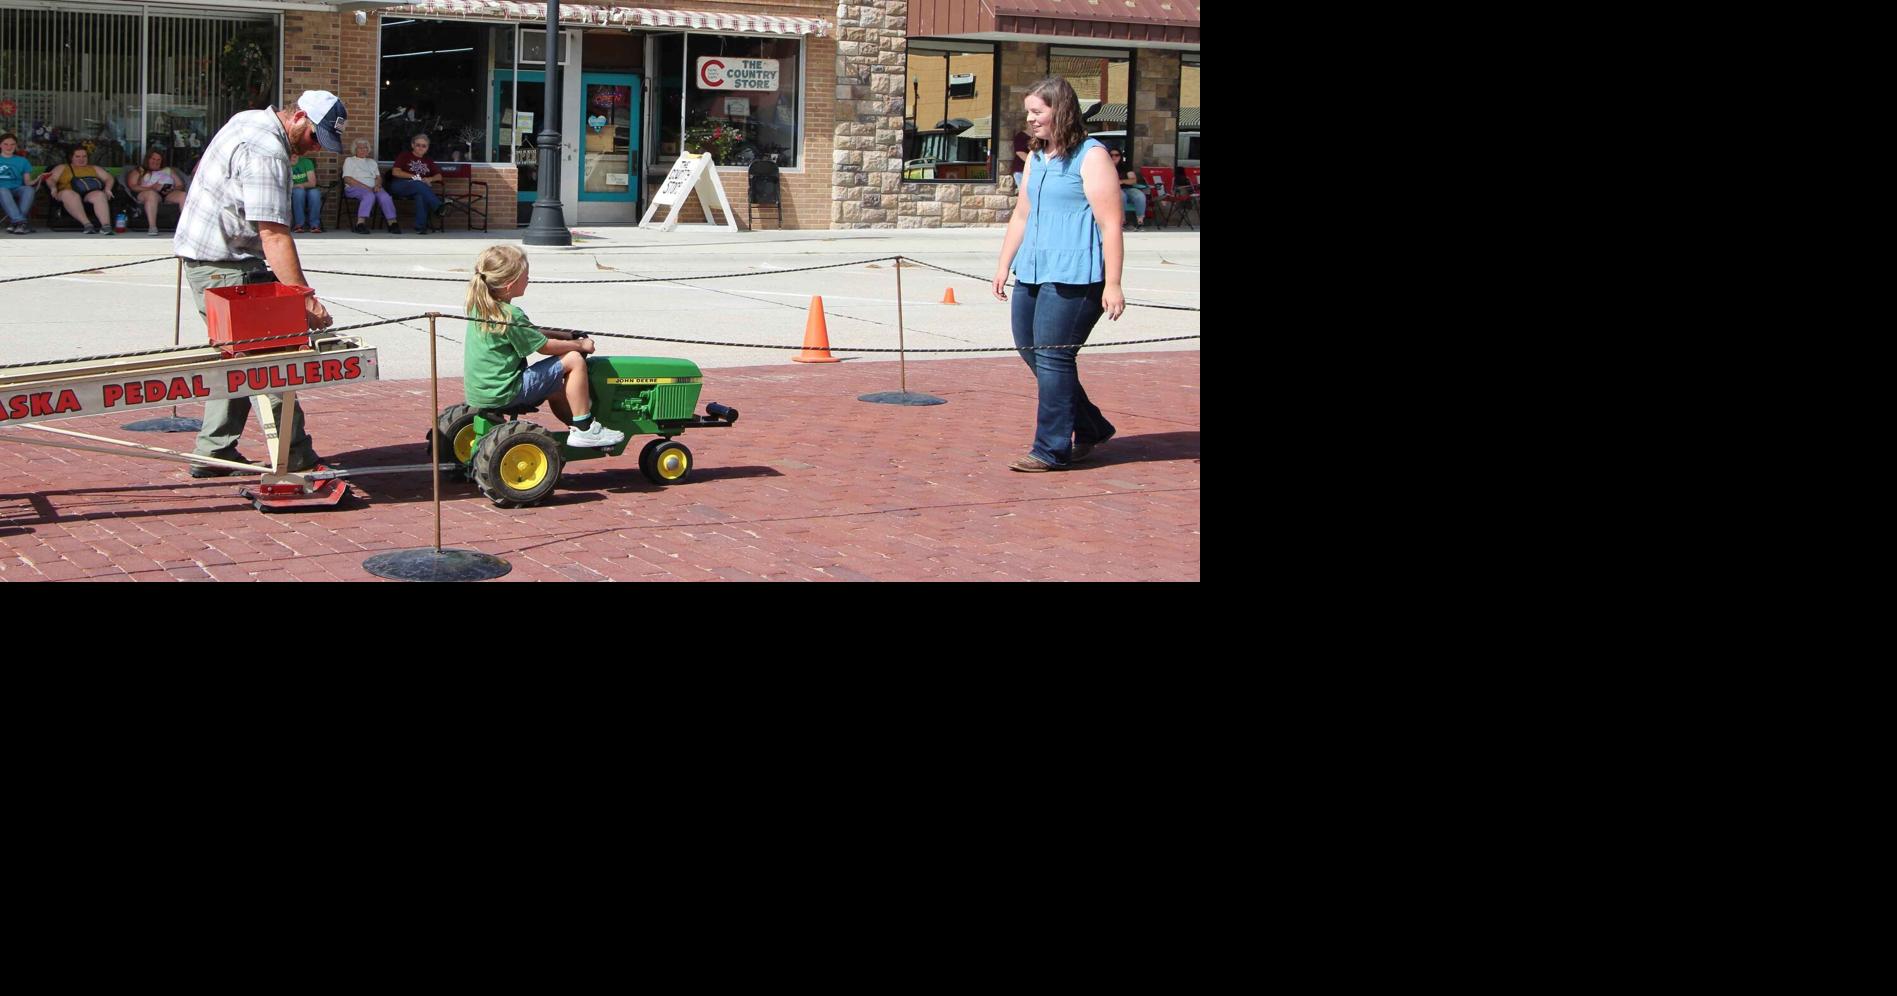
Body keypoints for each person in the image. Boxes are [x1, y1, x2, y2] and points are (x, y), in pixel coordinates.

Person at [173, 89, 346, 479]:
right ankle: (297, 458)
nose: (316, 148)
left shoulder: (250, 118)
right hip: (224, 264)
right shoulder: (267, 150)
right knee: (270, 361)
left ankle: (213, 450)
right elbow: (274, 234)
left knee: (242, 357)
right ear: (299, 116)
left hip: (216, 257)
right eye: (315, 137)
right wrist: (304, 298)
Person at [991, 76, 1123, 473]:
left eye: (1038, 112)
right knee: (1033, 352)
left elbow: (1111, 223)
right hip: (1032, 270)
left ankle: (1051, 449)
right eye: (1028, 112)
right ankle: (1092, 426)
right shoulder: (1037, 157)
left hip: (1076, 275)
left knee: (1053, 359)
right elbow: (1021, 213)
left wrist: (1113, 283)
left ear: (1060, 111)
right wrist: (1003, 265)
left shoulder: (1091, 155)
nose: (1030, 119)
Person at [463, 244, 627, 450]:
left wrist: (566, 335)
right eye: (526, 275)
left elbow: (529, 332)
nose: (529, 279)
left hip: (481, 391)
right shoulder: (511, 314)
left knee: (557, 389)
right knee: (574, 359)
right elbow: (544, 347)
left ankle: (577, 428)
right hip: (506, 391)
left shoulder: (482, 306)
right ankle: (585, 429)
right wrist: (580, 344)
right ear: (509, 285)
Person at [45, 146, 116, 234]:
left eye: (84, 156)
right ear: (71, 158)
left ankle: (106, 226)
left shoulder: (94, 168)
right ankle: (87, 225)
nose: (81, 159)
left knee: (99, 195)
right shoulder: (63, 167)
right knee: (70, 194)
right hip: (66, 193)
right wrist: (53, 188)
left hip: (88, 193)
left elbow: (109, 178)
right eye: (77, 156)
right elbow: (50, 179)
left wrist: (108, 189)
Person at [390, 132, 445, 234]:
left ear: (427, 148)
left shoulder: (428, 160)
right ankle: (437, 206)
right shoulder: (404, 156)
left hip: (419, 188)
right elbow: (395, 172)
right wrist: (415, 177)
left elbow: (439, 176)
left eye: (424, 146)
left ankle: (420, 227)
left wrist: (430, 179)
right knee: (419, 184)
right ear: (412, 145)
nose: (421, 148)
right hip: (400, 185)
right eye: (418, 145)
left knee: (420, 194)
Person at [125, 149, 189, 237]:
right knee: (152, 194)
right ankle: (152, 227)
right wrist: (151, 187)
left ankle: (186, 228)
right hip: (146, 192)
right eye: (153, 159)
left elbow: (180, 185)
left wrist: (172, 189)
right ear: (148, 159)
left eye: (158, 160)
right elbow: (132, 185)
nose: (155, 162)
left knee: (183, 196)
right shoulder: (140, 170)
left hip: (166, 193)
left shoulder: (167, 170)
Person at [341, 138, 398, 235]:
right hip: (354, 188)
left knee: (385, 197)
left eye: (365, 148)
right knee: (369, 195)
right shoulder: (350, 160)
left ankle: (392, 223)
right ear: (355, 150)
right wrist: (366, 188)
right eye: (360, 148)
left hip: (373, 188)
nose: (363, 150)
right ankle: (360, 224)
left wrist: (378, 185)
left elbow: (378, 177)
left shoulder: (372, 162)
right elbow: (347, 179)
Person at [0, 133, 44, 234]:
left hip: (16, 189)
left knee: (28, 189)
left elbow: (27, 182)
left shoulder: (22, 161)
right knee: (2, 190)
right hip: (1, 190)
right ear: (0, 145)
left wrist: (37, 179)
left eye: (12, 144)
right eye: (6, 144)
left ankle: (16, 223)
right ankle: (21, 222)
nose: (9, 147)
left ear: (16, 146)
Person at [1109, 147, 1146, 233]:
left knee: (1139, 195)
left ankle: (1140, 222)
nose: (1114, 157)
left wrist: (1121, 181)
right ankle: (1123, 222)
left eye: (1116, 155)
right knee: (1121, 196)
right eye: (1111, 155)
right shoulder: (1105, 166)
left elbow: (1133, 180)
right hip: (1112, 190)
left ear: (1120, 156)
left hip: (1127, 188)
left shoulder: (1125, 166)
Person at [289, 150, 323, 234]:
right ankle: (299, 225)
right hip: (295, 190)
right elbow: (284, 183)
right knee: (299, 193)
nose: (294, 155)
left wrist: (298, 185)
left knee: (315, 193)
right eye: (291, 153)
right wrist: (298, 186)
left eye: (296, 153)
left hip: (309, 188)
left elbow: (312, 183)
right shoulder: (284, 164)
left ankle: (314, 225)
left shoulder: (306, 162)